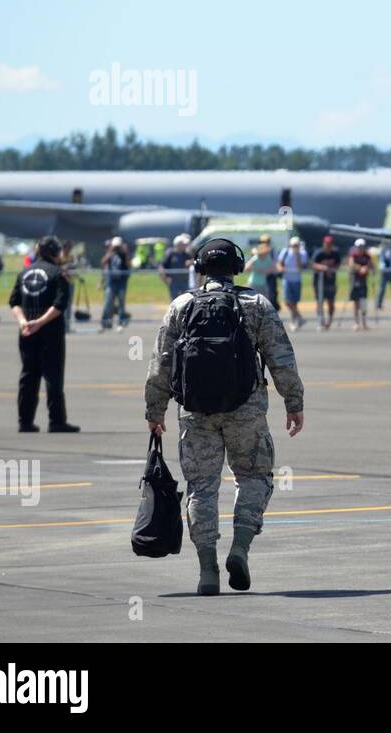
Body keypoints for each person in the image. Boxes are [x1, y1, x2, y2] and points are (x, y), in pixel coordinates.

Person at [144, 238, 305, 597]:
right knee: (255, 477)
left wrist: (155, 411)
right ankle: (240, 548)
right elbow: (281, 357)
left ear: (200, 268)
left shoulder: (181, 306)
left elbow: (160, 365)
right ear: (238, 267)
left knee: (201, 489)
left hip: (195, 411)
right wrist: (294, 402)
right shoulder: (256, 304)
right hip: (246, 410)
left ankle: (207, 570)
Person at [8, 235, 79, 433]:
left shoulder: (24, 273)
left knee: (28, 376)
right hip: (50, 332)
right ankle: (56, 420)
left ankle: (25, 421)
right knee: (52, 376)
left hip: (26, 331)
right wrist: (40, 322)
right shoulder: (59, 274)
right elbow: (60, 305)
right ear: (55, 252)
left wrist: (24, 322)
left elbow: (13, 302)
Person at [276, 236, 308, 330]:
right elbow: (279, 263)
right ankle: (299, 317)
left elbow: (300, 267)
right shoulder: (285, 252)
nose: (295, 247)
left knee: (294, 302)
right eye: (293, 245)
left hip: (296, 280)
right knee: (287, 301)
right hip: (286, 279)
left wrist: (297, 254)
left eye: (296, 245)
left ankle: (294, 321)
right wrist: (281, 268)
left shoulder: (302, 253)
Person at [100, 236, 131, 330]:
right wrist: (110, 251)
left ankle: (121, 321)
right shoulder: (110, 253)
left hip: (121, 282)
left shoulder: (124, 254)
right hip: (111, 282)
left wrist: (125, 253)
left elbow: (129, 265)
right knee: (108, 302)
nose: (117, 248)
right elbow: (103, 262)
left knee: (121, 303)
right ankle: (106, 321)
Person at [310, 235, 340, 330]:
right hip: (319, 282)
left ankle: (329, 322)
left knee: (331, 303)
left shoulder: (335, 254)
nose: (328, 246)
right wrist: (324, 268)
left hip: (331, 281)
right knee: (319, 302)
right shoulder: (319, 253)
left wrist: (331, 269)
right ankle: (321, 322)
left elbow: (338, 264)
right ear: (324, 244)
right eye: (327, 244)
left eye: (330, 244)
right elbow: (312, 264)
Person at [347, 238, 374, 330]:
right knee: (356, 303)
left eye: (362, 247)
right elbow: (351, 264)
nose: (361, 249)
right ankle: (356, 322)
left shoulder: (367, 256)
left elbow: (372, 265)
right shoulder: (353, 255)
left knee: (363, 303)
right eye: (359, 247)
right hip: (354, 281)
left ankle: (364, 323)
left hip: (363, 282)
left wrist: (367, 267)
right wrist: (360, 268)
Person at [244, 236, 278, 308]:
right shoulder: (256, 258)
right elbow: (246, 267)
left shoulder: (268, 258)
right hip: (253, 283)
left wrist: (265, 271)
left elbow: (273, 268)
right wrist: (258, 270)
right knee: (252, 302)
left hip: (263, 283)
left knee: (264, 302)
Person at [159, 234, 193, 301]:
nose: (185, 246)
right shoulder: (170, 253)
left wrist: (191, 262)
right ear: (178, 244)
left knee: (186, 299)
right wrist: (164, 278)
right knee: (174, 300)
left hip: (184, 281)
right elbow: (162, 266)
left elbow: (193, 260)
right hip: (174, 282)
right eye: (183, 244)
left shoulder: (187, 254)